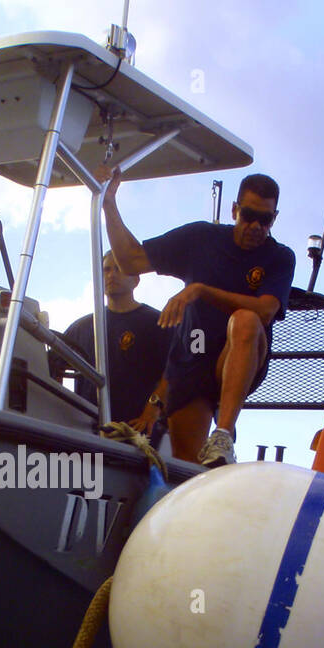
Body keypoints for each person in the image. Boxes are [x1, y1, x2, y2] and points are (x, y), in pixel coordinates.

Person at [100, 169, 296, 465]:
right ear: (234, 210)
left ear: (274, 219)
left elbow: (266, 310)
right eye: (248, 215)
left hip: (239, 355)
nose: (256, 225)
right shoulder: (201, 238)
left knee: (246, 319)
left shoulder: (280, 257)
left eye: (265, 220)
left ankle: (224, 435)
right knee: (187, 470)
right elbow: (130, 260)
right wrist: (108, 202)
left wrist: (201, 290)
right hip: (193, 360)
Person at [49, 251, 171, 432]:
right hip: (85, 431)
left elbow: (175, 371)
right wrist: (58, 412)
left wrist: (153, 409)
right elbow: (52, 365)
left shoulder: (158, 323)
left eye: (119, 268)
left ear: (136, 280)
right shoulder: (82, 327)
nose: (111, 274)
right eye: (106, 270)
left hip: (137, 432)